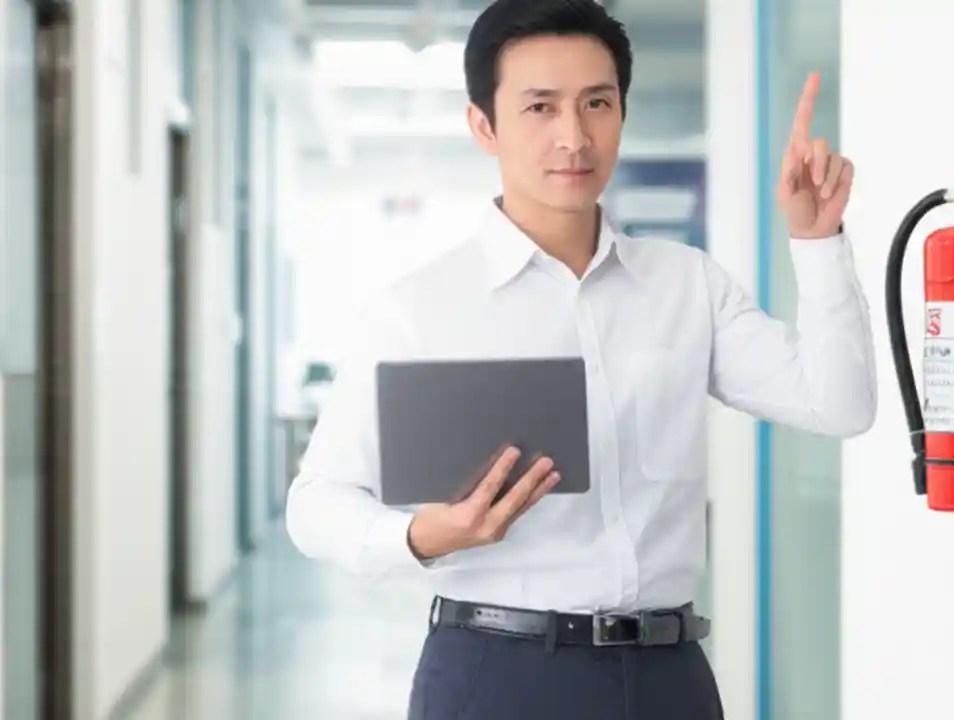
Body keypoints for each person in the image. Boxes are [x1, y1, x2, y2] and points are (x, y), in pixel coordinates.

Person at [285, 0, 875, 717]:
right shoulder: (417, 309)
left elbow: (837, 403)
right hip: (494, 674)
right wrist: (420, 535)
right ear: (485, 126)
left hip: (669, 676)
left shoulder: (687, 285)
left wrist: (817, 244)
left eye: (597, 103)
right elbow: (315, 504)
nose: (574, 135)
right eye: (540, 107)